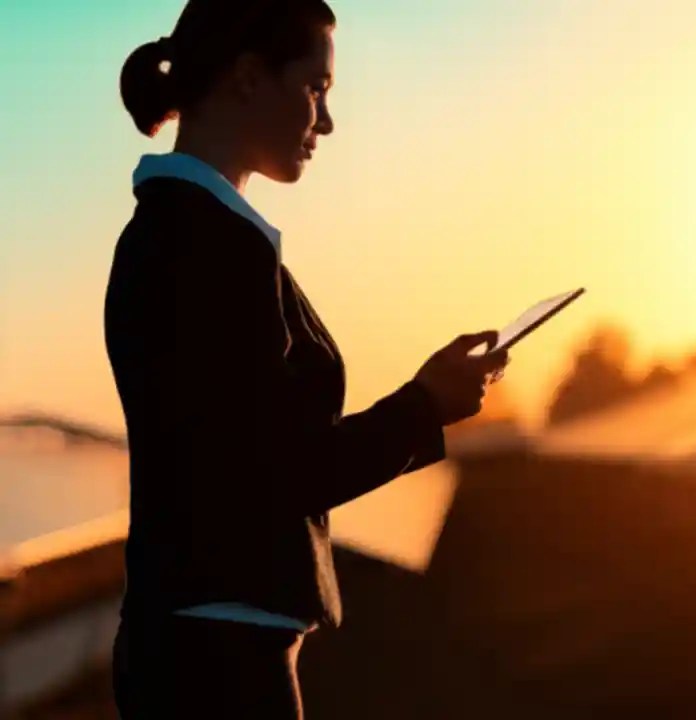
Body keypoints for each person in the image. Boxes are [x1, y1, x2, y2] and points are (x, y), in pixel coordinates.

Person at [103, 1, 509, 716]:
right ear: (250, 77)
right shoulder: (203, 247)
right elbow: (275, 475)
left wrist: (425, 403)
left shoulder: (197, 236)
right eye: (315, 89)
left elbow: (257, 460)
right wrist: (423, 405)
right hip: (216, 667)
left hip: (209, 648)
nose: (325, 122)